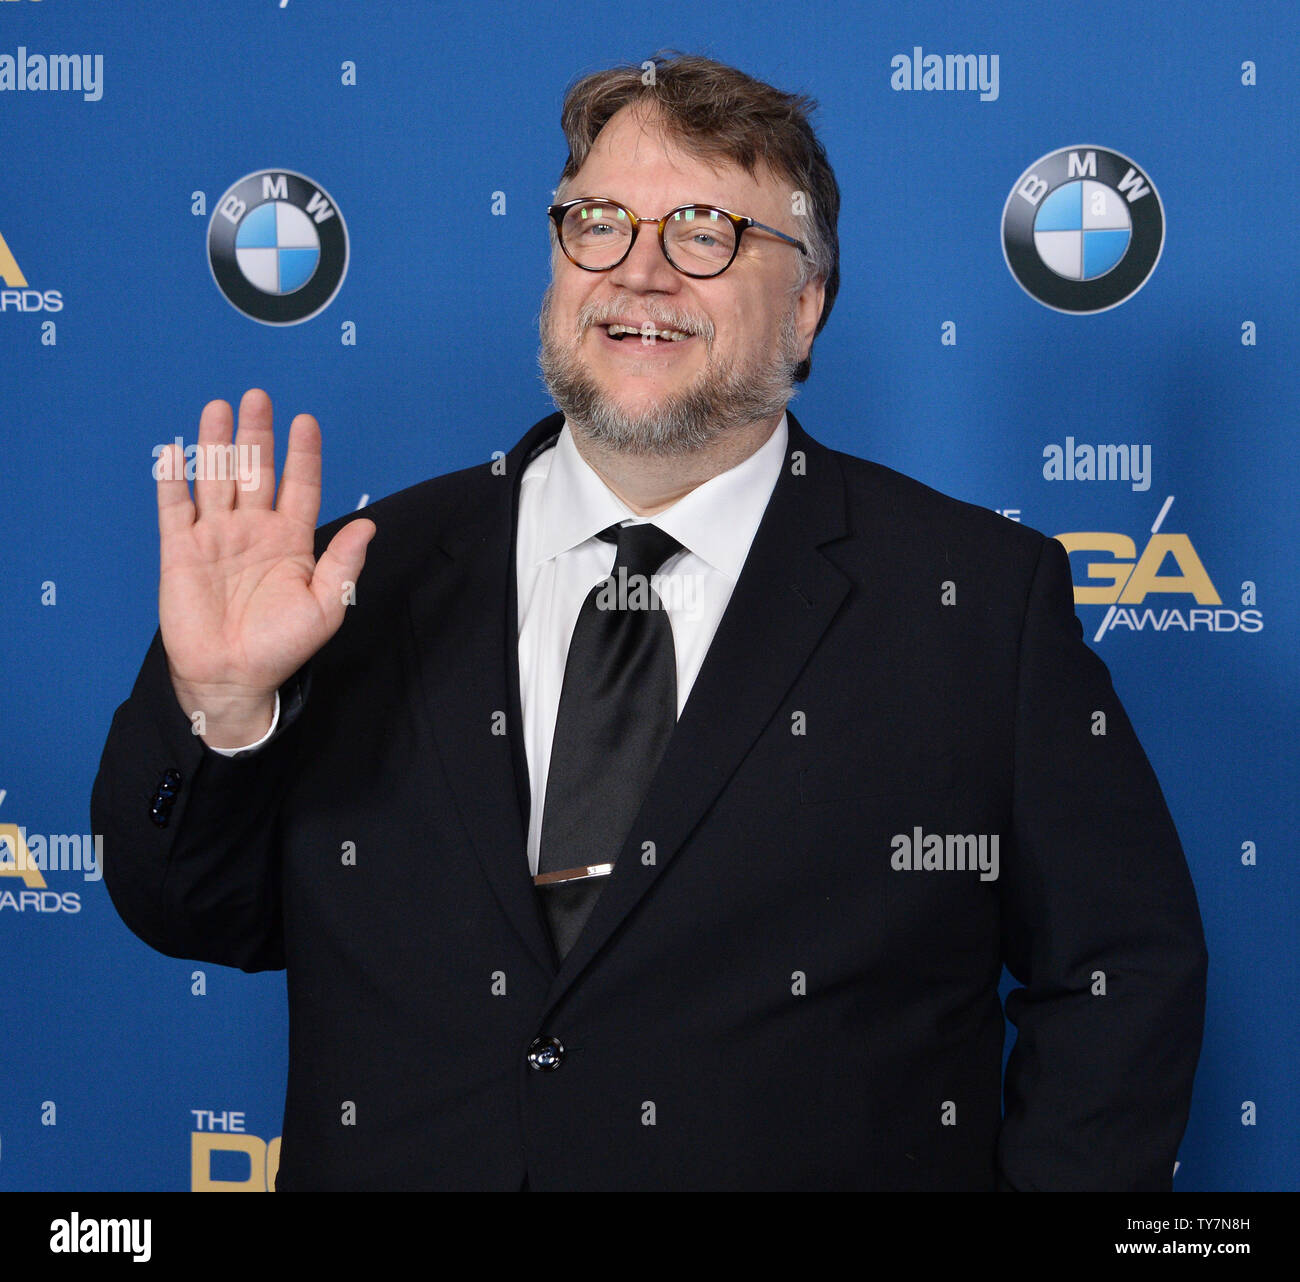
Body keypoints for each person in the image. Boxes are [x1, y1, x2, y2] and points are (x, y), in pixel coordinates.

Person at [93, 53, 1207, 1191]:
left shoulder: (974, 598)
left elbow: (1121, 976)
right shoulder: (354, 579)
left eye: (705, 231)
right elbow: (193, 915)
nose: (642, 272)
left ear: (808, 299)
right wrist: (226, 713)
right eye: (601, 223)